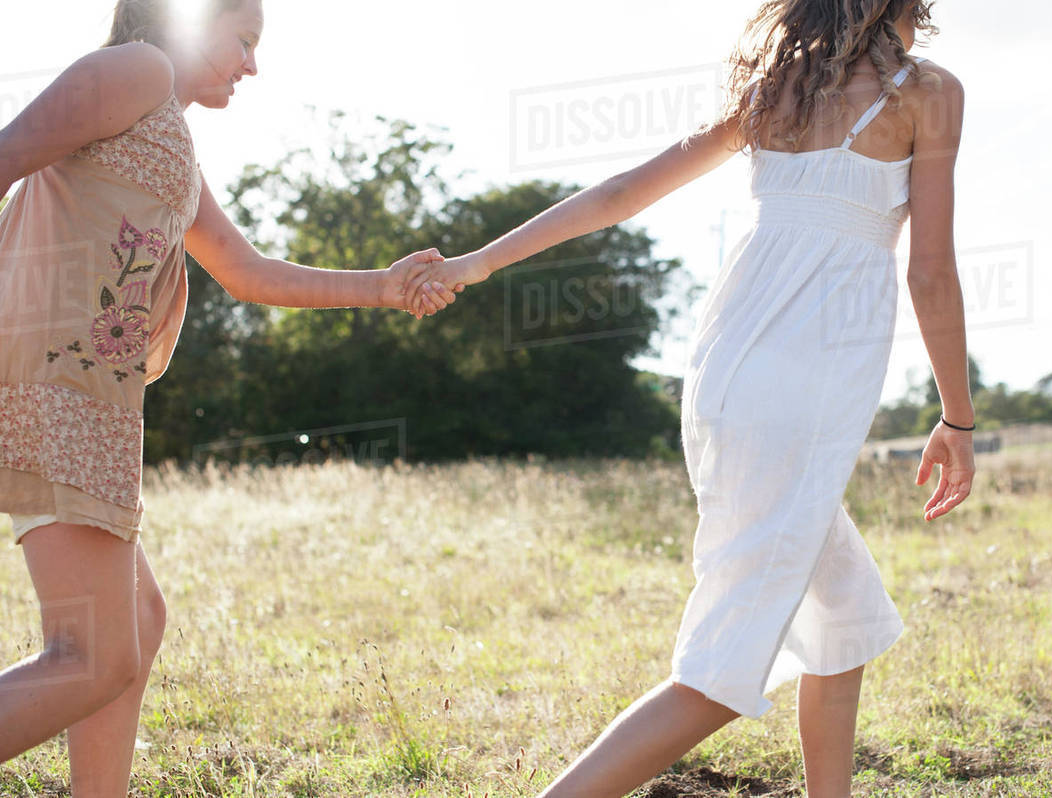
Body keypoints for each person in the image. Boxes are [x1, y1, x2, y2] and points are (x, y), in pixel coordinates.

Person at [409, 0, 976, 795]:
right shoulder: (929, 93)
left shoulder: (777, 89)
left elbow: (618, 195)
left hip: (723, 375)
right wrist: (957, 417)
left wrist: (478, 262)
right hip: (799, 396)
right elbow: (930, 273)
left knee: (844, 619)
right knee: (718, 675)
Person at [0, 1, 458, 793]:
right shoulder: (137, 70)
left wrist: (383, 288)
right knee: (96, 655)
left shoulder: (166, 129)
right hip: (54, 388)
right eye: (243, 40)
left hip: (94, 401)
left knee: (136, 627)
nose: (252, 64)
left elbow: (248, 272)